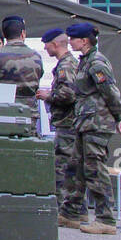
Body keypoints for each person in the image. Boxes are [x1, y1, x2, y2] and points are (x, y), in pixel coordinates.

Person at [59, 22, 121, 234]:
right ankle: (73, 213)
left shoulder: (97, 63)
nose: (69, 42)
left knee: (95, 170)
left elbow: (111, 92)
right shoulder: (85, 61)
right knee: (76, 167)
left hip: (97, 124)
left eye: (73, 39)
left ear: (84, 41)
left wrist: (118, 116)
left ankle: (106, 219)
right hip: (84, 123)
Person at [35, 28, 79, 214]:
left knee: (62, 168)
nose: (45, 48)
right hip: (67, 124)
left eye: (46, 44)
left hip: (68, 125)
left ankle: (62, 209)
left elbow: (68, 95)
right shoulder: (67, 63)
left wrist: (48, 96)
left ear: (55, 44)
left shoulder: (66, 65)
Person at [0, 16, 43, 108]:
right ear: (23, 34)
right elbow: (38, 79)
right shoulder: (36, 57)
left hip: (1, 111)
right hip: (28, 112)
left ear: (4, 35)